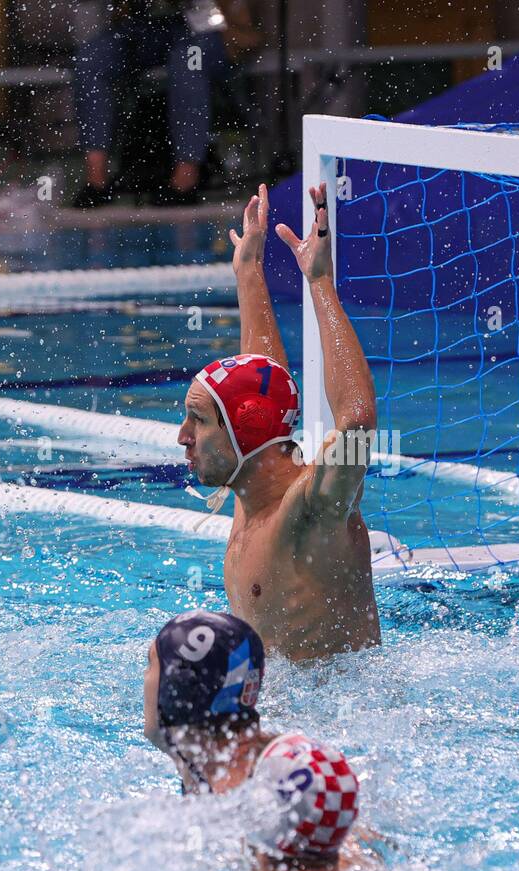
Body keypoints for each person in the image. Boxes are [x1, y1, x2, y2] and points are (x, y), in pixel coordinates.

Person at [178, 182, 381, 661]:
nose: (183, 437)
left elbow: (357, 426)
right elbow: (261, 381)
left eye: (197, 421)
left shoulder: (313, 510)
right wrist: (249, 270)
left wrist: (320, 286)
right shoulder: (248, 486)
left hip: (346, 723)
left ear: (243, 433)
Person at [144, 610, 364, 871]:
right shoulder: (195, 754)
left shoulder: (279, 774)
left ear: (174, 691)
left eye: (150, 664)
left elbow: (339, 869)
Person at [70, 0, 261, 207]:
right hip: (145, 26)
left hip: (208, 27)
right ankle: (96, 180)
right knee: (90, 61)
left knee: (188, 62)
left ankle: (185, 179)